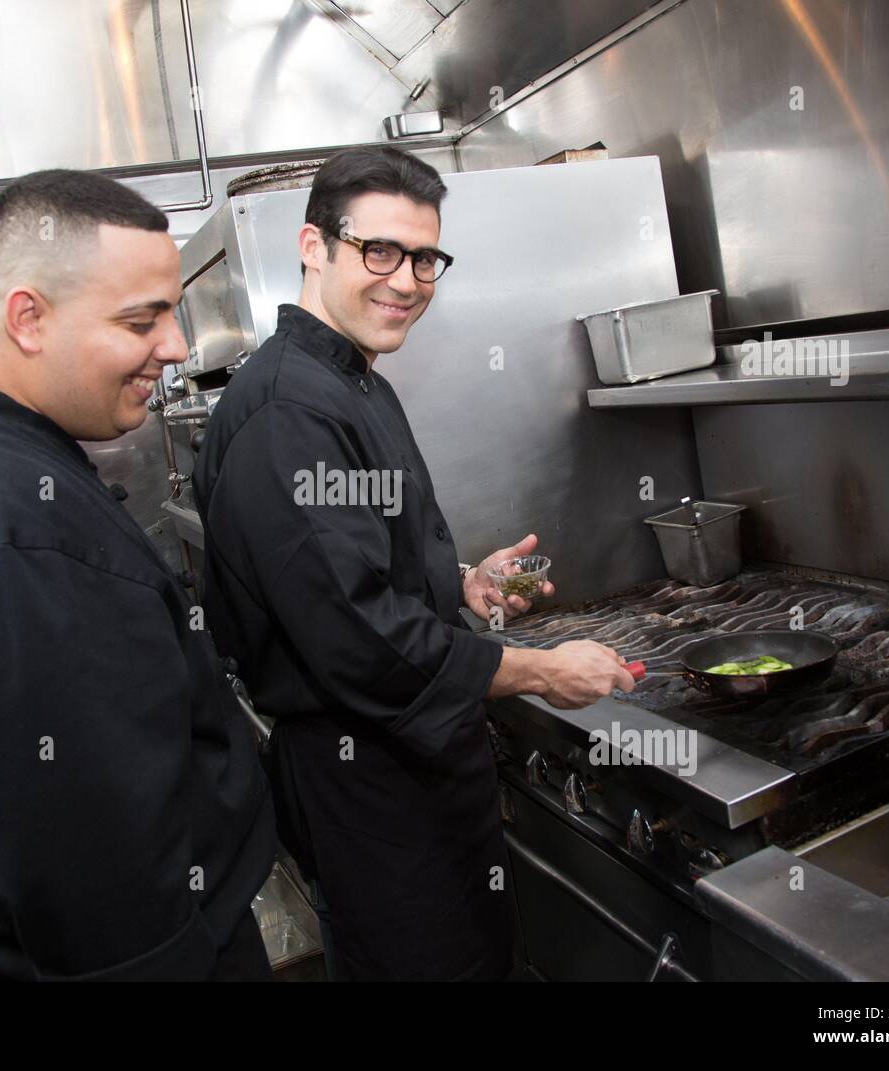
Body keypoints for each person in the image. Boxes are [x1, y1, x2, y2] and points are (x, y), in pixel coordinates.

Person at [193, 146, 635, 981]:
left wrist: (460, 584)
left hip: (415, 766)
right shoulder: (291, 410)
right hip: (368, 783)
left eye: (425, 257)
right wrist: (537, 669)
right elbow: (359, 638)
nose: (407, 280)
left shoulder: (355, 382)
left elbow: (358, 571)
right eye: (380, 251)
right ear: (314, 246)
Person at [0, 169, 275, 981]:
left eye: (174, 313)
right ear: (28, 318)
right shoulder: (8, 536)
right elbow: (100, 882)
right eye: (142, 319)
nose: (177, 346)